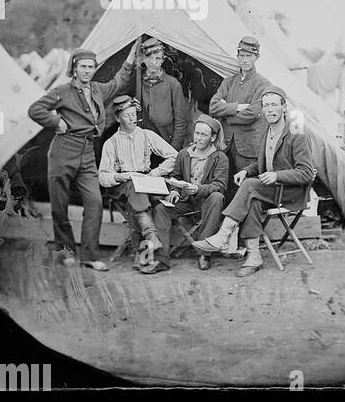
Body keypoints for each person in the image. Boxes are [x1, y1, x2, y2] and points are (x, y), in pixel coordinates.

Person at [27, 43, 139, 271]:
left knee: (95, 203)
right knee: (59, 206)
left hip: (87, 154)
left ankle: (89, 256)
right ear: (74, 69)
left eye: (91, 67)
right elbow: (35, 109)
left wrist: (130, 57)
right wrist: (55, 122)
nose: (88, 71)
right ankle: (65, 251)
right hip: (62, 153)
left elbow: (119, 81)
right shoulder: (62, 92)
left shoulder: (98, 89)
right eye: (83, 67)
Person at [192, 87, 316, 277]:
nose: (269, 110)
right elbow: (263, 163)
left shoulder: (296, 133)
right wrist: (246, 170)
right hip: (272, 190)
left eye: (274, 105)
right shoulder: (268, 129)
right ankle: (254, 256)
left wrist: (277, 176)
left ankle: (223, 235)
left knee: (249, 186)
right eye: (266, 106)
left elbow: (306, 172)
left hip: (291, 192)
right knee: (253, 200)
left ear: (284, 107)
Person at [98, 95, 179, 271]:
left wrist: (155, 172)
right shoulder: (111, 143)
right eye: (127, 116)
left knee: (146, 200)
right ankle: (151, 236)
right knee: (134, 187)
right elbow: (103, 177)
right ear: (118, 118)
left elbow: (175, 156)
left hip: (146, 183)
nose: (133, 118)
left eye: (134, 114)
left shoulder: (147, 135)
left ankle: (143, 253)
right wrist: (122, 176)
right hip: (122, 185)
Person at [147, 115, 230, 274]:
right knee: (160, 208)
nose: (198, 138)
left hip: (205, 200)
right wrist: (175, 191)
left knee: (217, 198)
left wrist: (198, 189)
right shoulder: (184, 154)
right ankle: (161, 258)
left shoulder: (220, 158)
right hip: (186, 200)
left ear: (213, 138)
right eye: (197, 133)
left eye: (203, 135)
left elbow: (219, 186)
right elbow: (176, 177)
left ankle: (205, 253)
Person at [210, 36, 273, 186]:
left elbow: (253, 113)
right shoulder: (229, 81)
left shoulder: (262, 84)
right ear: (237, 56)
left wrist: (226, 114)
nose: (244, 60)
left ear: (256, 57)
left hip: (247, 147)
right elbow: (213, 106)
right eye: (242, 56)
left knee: (244, 186)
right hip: (225, 145)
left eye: (249, 56)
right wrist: (238, 107)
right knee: (222, 184)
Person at [135, 36, 190, 151]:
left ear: (163, 59)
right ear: (143, 59)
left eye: (157, 58)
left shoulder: (173, 84)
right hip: (143, 143)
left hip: (166, 142)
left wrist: (173, 148)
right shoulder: (136, 81)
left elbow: (181, 120)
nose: (153, 62)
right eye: (149, 58)